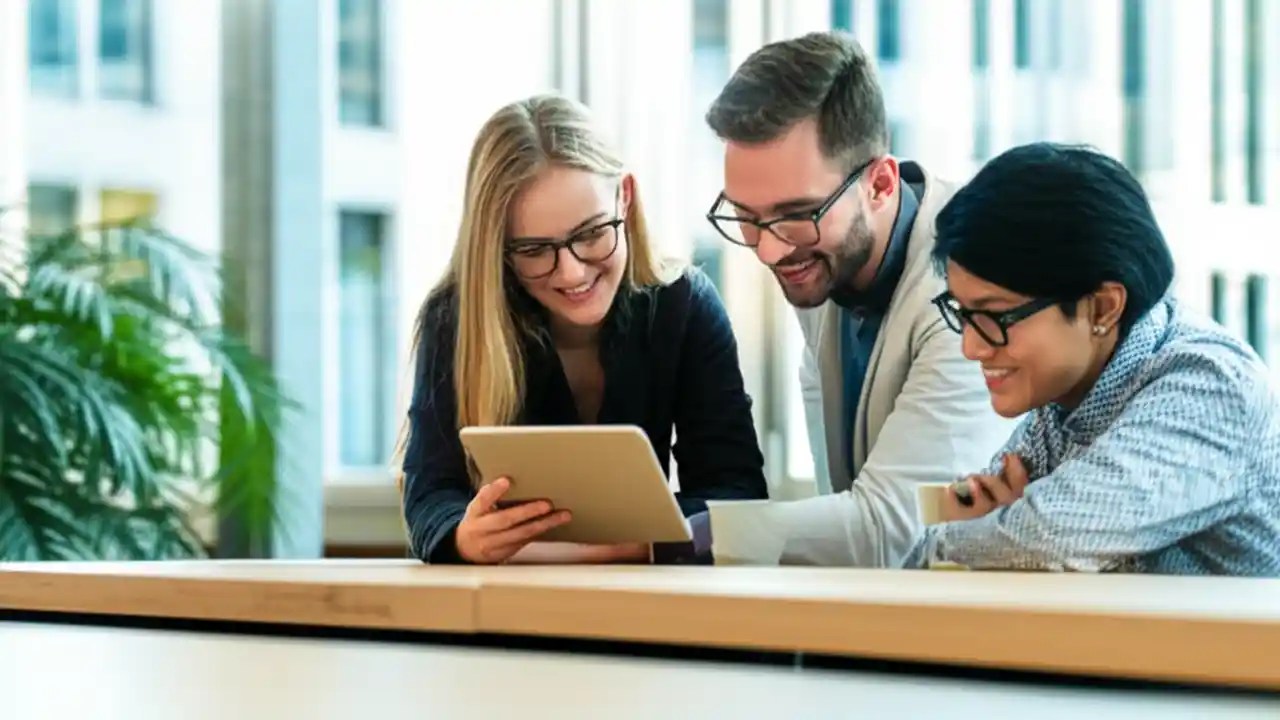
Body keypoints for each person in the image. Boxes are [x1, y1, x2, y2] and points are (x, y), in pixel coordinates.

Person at [398, 94, 767, 565]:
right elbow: (430, 498)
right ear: (496, 249)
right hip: (506, 609)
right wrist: (465, 537)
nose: (571, 273)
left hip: (652, 607)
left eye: (592, 233)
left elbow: (736, 496)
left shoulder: (684, 305)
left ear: (626, 199)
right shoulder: (456, 317)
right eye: (533, 250)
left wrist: (631, 543)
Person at [700, 31, 1015, 566]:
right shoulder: (826, 258)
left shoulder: (971, 292)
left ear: (881, 184)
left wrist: (665, 539)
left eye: (797, 213)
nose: (770, 250)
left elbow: (890, 529)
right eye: (747, 218)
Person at [903, 142, 1280, 575]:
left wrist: (994, 535)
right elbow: (948, 546)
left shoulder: (1212, 387)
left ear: (1103, 308)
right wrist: (998, 535)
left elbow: (1042, 536)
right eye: (964, 314)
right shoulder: (1064, 404)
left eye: (994, 316)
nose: (971, 347)